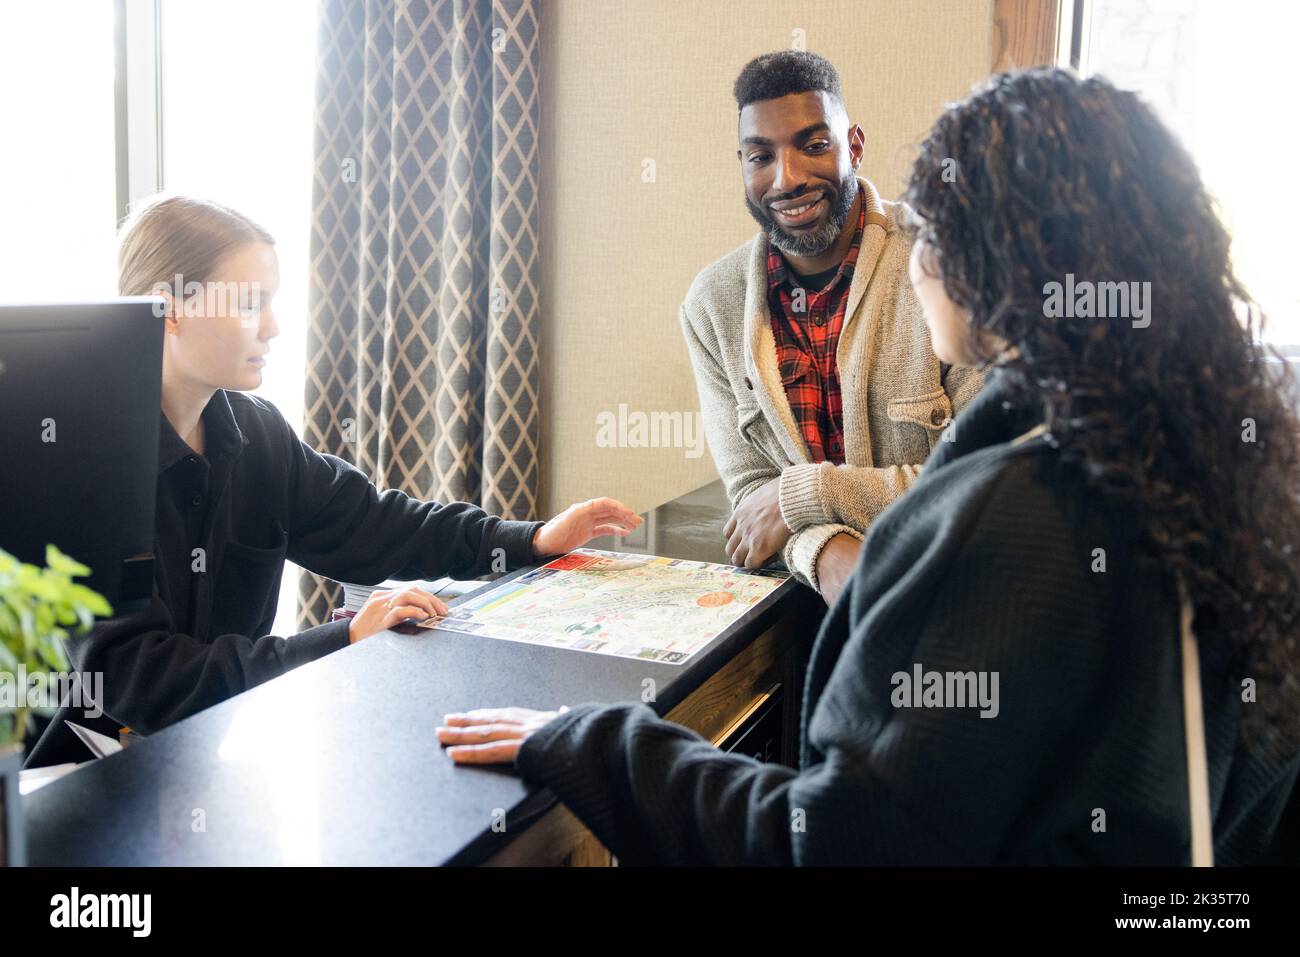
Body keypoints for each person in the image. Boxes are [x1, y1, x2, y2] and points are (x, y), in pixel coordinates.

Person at [436, 69, 1300, 865]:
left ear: (989, 263)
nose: (913, 253)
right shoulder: (1207, 460)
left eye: (932, 230)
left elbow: (831, 844)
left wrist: (595, 741)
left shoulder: (1016, 519)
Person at [26, 195, 641, 767]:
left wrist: (529, 540)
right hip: (76, 780)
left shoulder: (255, 432)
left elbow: (373, 524)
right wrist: (343, 637)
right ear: (170, 309)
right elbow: (141, 678)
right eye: (249, 303)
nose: (272, 327)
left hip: (206, 755)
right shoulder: (84, 463)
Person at [681, 50, 982, 604]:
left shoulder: (945, 260)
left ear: (855, 146)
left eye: (814, 146)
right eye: (760, 156)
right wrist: (825, 553)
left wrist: (804, 493)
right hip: (808, 606)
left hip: (959, 598)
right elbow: (751, 498)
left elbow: (983, 480)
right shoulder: (712, 305)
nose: (787, 178)